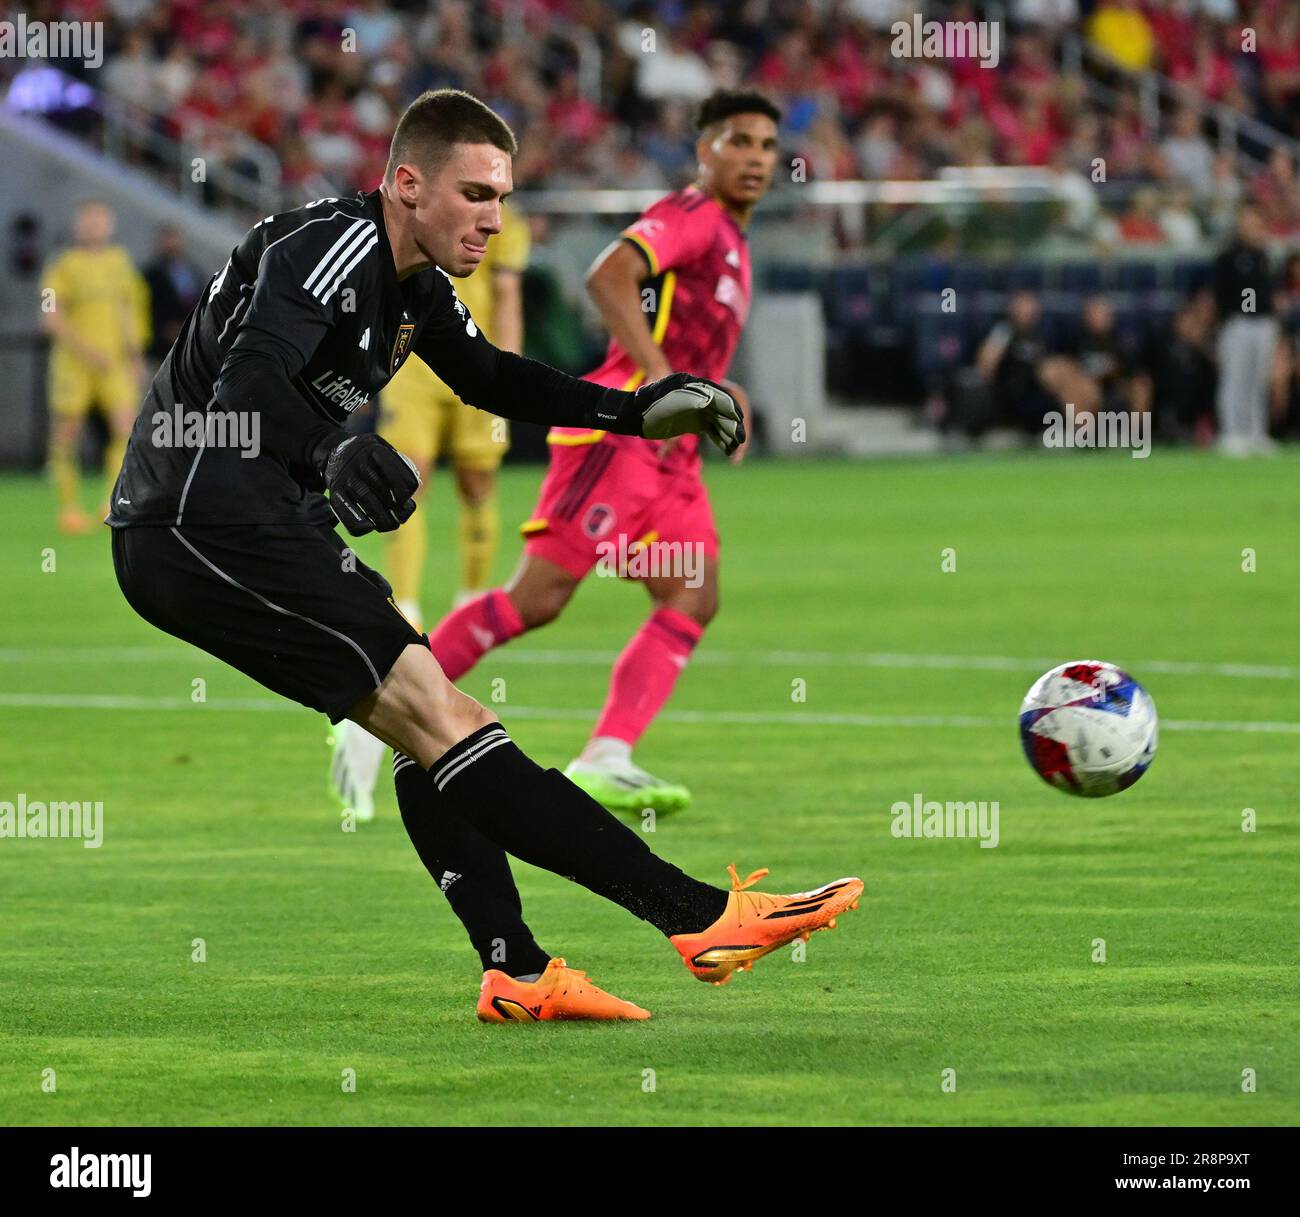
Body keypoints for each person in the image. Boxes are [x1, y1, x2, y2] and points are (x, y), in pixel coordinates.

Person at [107, 89, 861, 1022]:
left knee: (435, 734)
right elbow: (251, 375)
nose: (494, 219)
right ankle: (698, 917)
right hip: (198, 518)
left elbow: (493, 378)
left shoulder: (415, 285)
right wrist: (334, 448)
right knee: (440, 712)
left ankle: (516, 969)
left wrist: (630, 408)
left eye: (502, 197)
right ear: (408, 183)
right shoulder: (329, 247)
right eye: (475, 195)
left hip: (253, 519)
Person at [331, 89, 776, 817]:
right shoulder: (691, 216)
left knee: (694, 591)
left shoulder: (731, 236)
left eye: (764, 144)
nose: (754, 157)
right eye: (737, 141)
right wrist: (663, 379)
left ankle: (607, 754)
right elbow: (608, 276)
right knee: (539, 596)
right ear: (704, 151)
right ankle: (377, 711)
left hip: (671, 453)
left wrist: (711, 385)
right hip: (621, 434)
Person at [376, 200, 528, 625]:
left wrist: (510, 373)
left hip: (477, 369)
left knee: (476, 482)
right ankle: (404, 605)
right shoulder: (412, 216)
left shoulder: (506, 226)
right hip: (411, 369)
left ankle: (473, 599)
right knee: (407, 479)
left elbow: (507, 296)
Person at [40, 200, 149, 534]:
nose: (94, 227)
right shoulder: (63, 266)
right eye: (88, 221)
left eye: (101, 221)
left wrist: (134, 356)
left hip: (114, 363)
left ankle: (110, 502)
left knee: (124, 429)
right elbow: (49, 316)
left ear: (110, 226)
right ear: (78, 226)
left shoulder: (121, 264)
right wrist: (86, 351)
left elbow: (130, 311)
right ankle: (68, 508)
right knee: (67, 432)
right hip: (74, 362)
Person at [1212, 204, 1280, 455]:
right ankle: (1232, 432)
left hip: (1263, 323)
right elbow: (1224, 294)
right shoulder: (1229, 257)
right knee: (1235, 379)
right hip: (1239, 322)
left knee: (1258, 379)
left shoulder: (1264, 256)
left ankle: (1256, 432)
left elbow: (1268, 290)